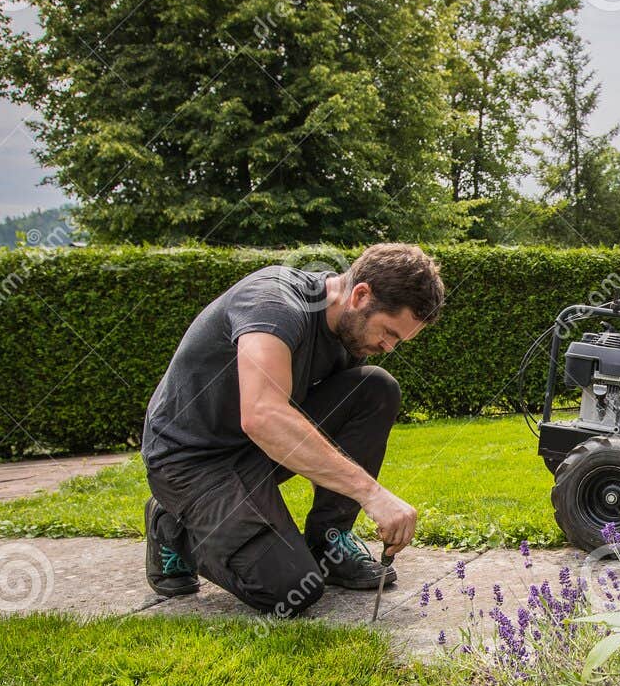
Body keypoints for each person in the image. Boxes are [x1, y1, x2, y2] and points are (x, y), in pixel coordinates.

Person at [139, 243, 444, 616]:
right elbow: (263, 415)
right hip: (191, 461)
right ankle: (172, 524)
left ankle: (329, 541)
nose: (389, 346)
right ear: (361, 295)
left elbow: (317, 424)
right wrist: (371, 493)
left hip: (253, 450)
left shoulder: (349, 335)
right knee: (292, 588)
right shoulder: (274, 303)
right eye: (389, 332)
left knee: (375, 388)